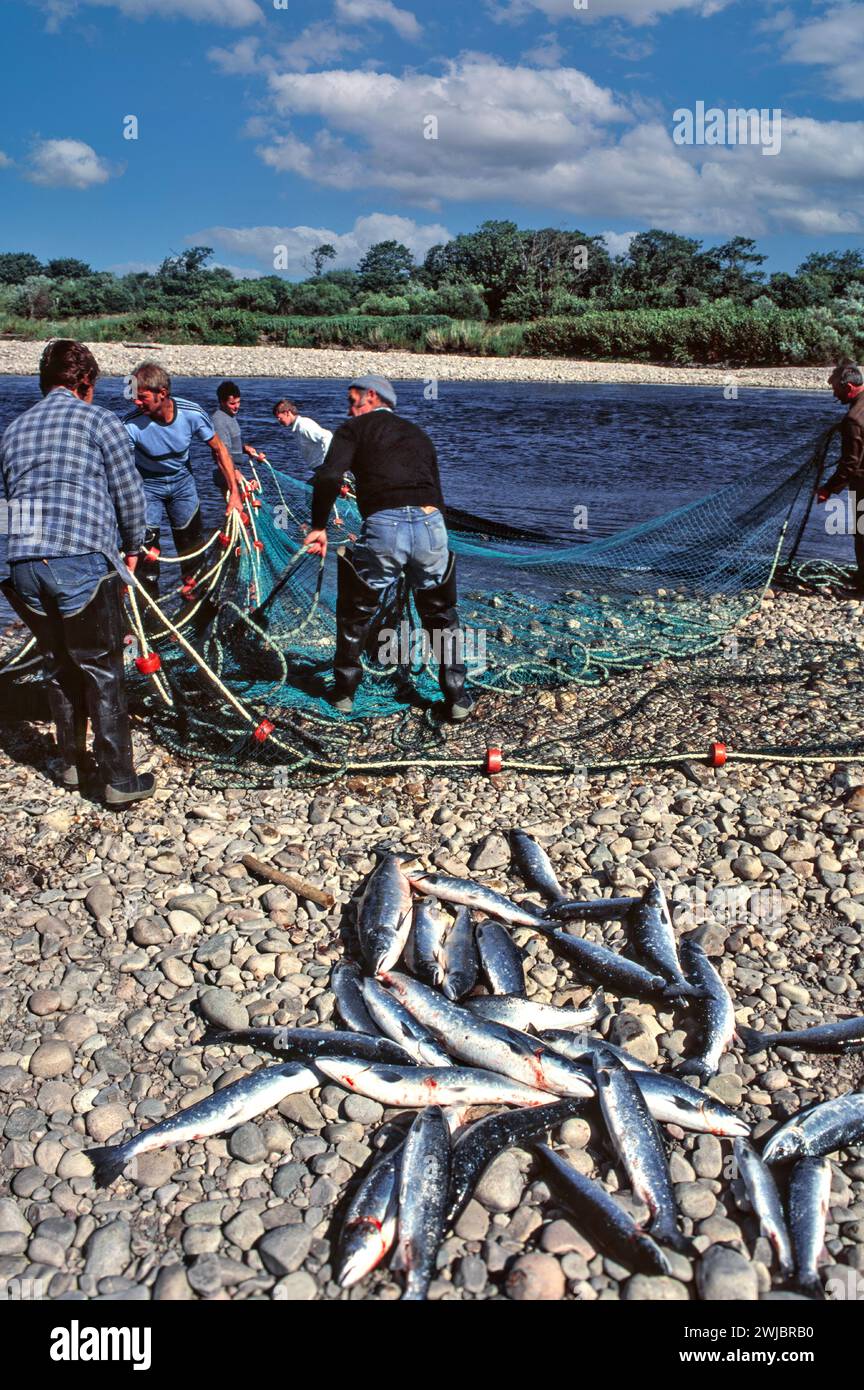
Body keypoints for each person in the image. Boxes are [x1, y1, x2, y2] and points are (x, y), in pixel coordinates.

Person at [0, 340, 155, 805]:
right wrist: (134, 547)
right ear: (86, 383)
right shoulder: (99, 420)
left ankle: (70, 764)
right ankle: (118, 780)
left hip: (21, 565)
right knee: (102, 669)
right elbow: (129, 495)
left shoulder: (13, 429)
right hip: (79, 559)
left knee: (59, 663)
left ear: (44, 383)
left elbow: (12, 501)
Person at [304, 374, 473, 720]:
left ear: (371, 397)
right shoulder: (419, 434)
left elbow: (328, 477)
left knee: (356, 610)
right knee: (441, 614)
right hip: (431, 522)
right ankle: (456, 697)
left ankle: (344, 694)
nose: (349, 408)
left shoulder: (353, 430)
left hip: (385, 525)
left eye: (353, 400)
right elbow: (437, 494)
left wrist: (319, 526)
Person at [123, 363, 243, 601]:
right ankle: (150, 613)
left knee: (191, 548)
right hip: (148, 485)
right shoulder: (130, 424)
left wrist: (235, 495)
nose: (136, 402)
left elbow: (220, 451)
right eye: (135, 398)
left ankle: (195, 599)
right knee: (148, 553)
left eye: (142, 398)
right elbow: (119, 470)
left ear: (163, 393)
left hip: (182, 483)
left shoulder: (192, 413)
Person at [818, 362, 864, 591]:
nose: (834, 394)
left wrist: (828, 489)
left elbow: (850, 463)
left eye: (835, 388)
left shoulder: (853, 419)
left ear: (848, 387)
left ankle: (862, 587)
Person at [211, 380, 268, 479]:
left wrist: (245, 448)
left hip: (235, 469)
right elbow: (222, 452)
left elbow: (231, 444)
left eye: (238, 402)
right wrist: (234, 472)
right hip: (227, 472)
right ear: (222, 402)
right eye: (232, 403)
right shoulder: (219, 420)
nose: (237, 406)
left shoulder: (230, 415)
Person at [273, 399, 333, 473]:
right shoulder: (297, 428)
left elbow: (327, 436)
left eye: (279, 418)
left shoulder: (303, 425)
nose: (278, 421)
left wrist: (329, 463)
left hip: (324, 467)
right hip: (318, 469)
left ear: (287, 413)